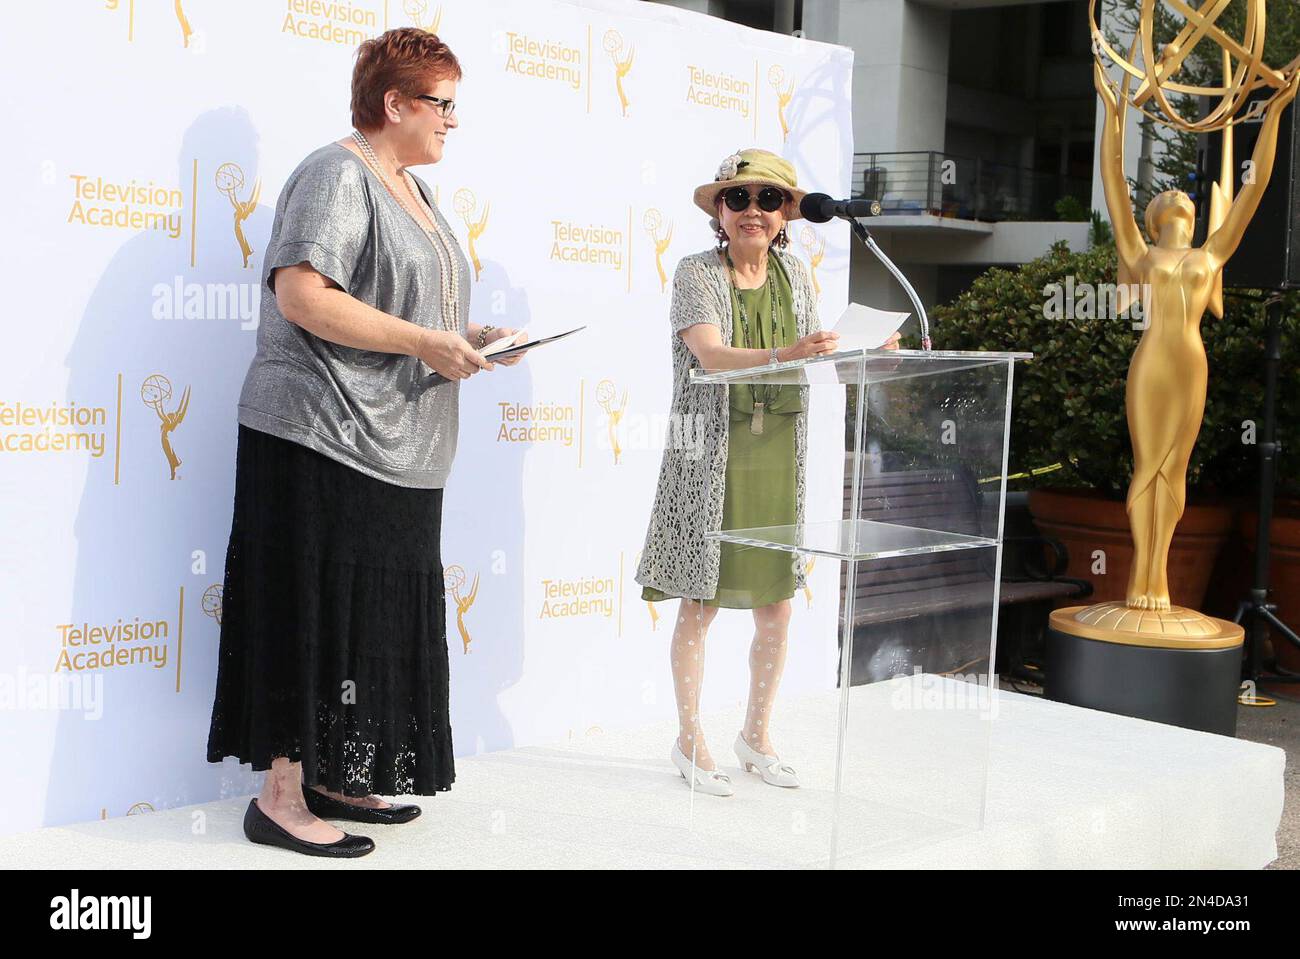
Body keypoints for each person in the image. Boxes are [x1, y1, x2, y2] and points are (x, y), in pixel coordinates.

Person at [206, 27, 524, 858]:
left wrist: (469, 337)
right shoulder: (335, 172)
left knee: (367, 618)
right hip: (318, 431)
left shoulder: (418, 192)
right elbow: (304, 295)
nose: (454, 121)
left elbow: (405, 311)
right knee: (305, 610)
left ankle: (339, 774)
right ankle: (279, 798)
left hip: (401, 443)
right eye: (443, 104)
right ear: (395, 103)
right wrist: (426, 344)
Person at [635, 148, 899, 796]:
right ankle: (690, 738)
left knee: (777, 607)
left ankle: (756, 735)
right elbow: (713, 354)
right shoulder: (696, 271)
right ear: (719, 211)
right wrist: (789, 351)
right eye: (739, 198)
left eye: (770, 200)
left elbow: (821, 360)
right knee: (701, 600)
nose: (754, 211)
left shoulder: (796, 275)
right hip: (711, 454)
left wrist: (876, 356)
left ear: (786, 214)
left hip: (777, 451)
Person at [1093, 61, 1300, 610]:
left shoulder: (1213, 252)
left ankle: (1158, 577)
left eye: (1183, 194)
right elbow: (1113, 178)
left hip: (1190, 362)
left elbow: (1255, 186)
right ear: (1155, 214)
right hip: (1151, 362)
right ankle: (1139, 576)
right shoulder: (1139, 254)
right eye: (1166, 195)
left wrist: (1276, 114)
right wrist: (1114, 114)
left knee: (1176, 469)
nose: (1177, 195)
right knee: (1146, 465)